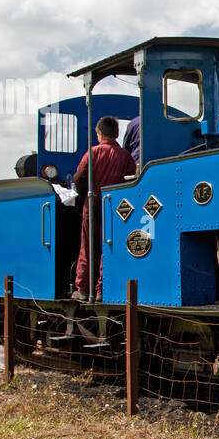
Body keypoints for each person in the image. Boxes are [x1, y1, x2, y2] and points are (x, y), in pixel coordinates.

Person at [72, 116, 136, 301]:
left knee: (87, 247)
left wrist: (84, 194)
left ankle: (83, 289)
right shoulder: (125, 156)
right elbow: (131, 180)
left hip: (91, 204)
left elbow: (79, 178)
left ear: (99, 133)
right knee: (109, 246)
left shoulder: (92, 153)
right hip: (115, 207)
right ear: (116, 134)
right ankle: (102, 289)